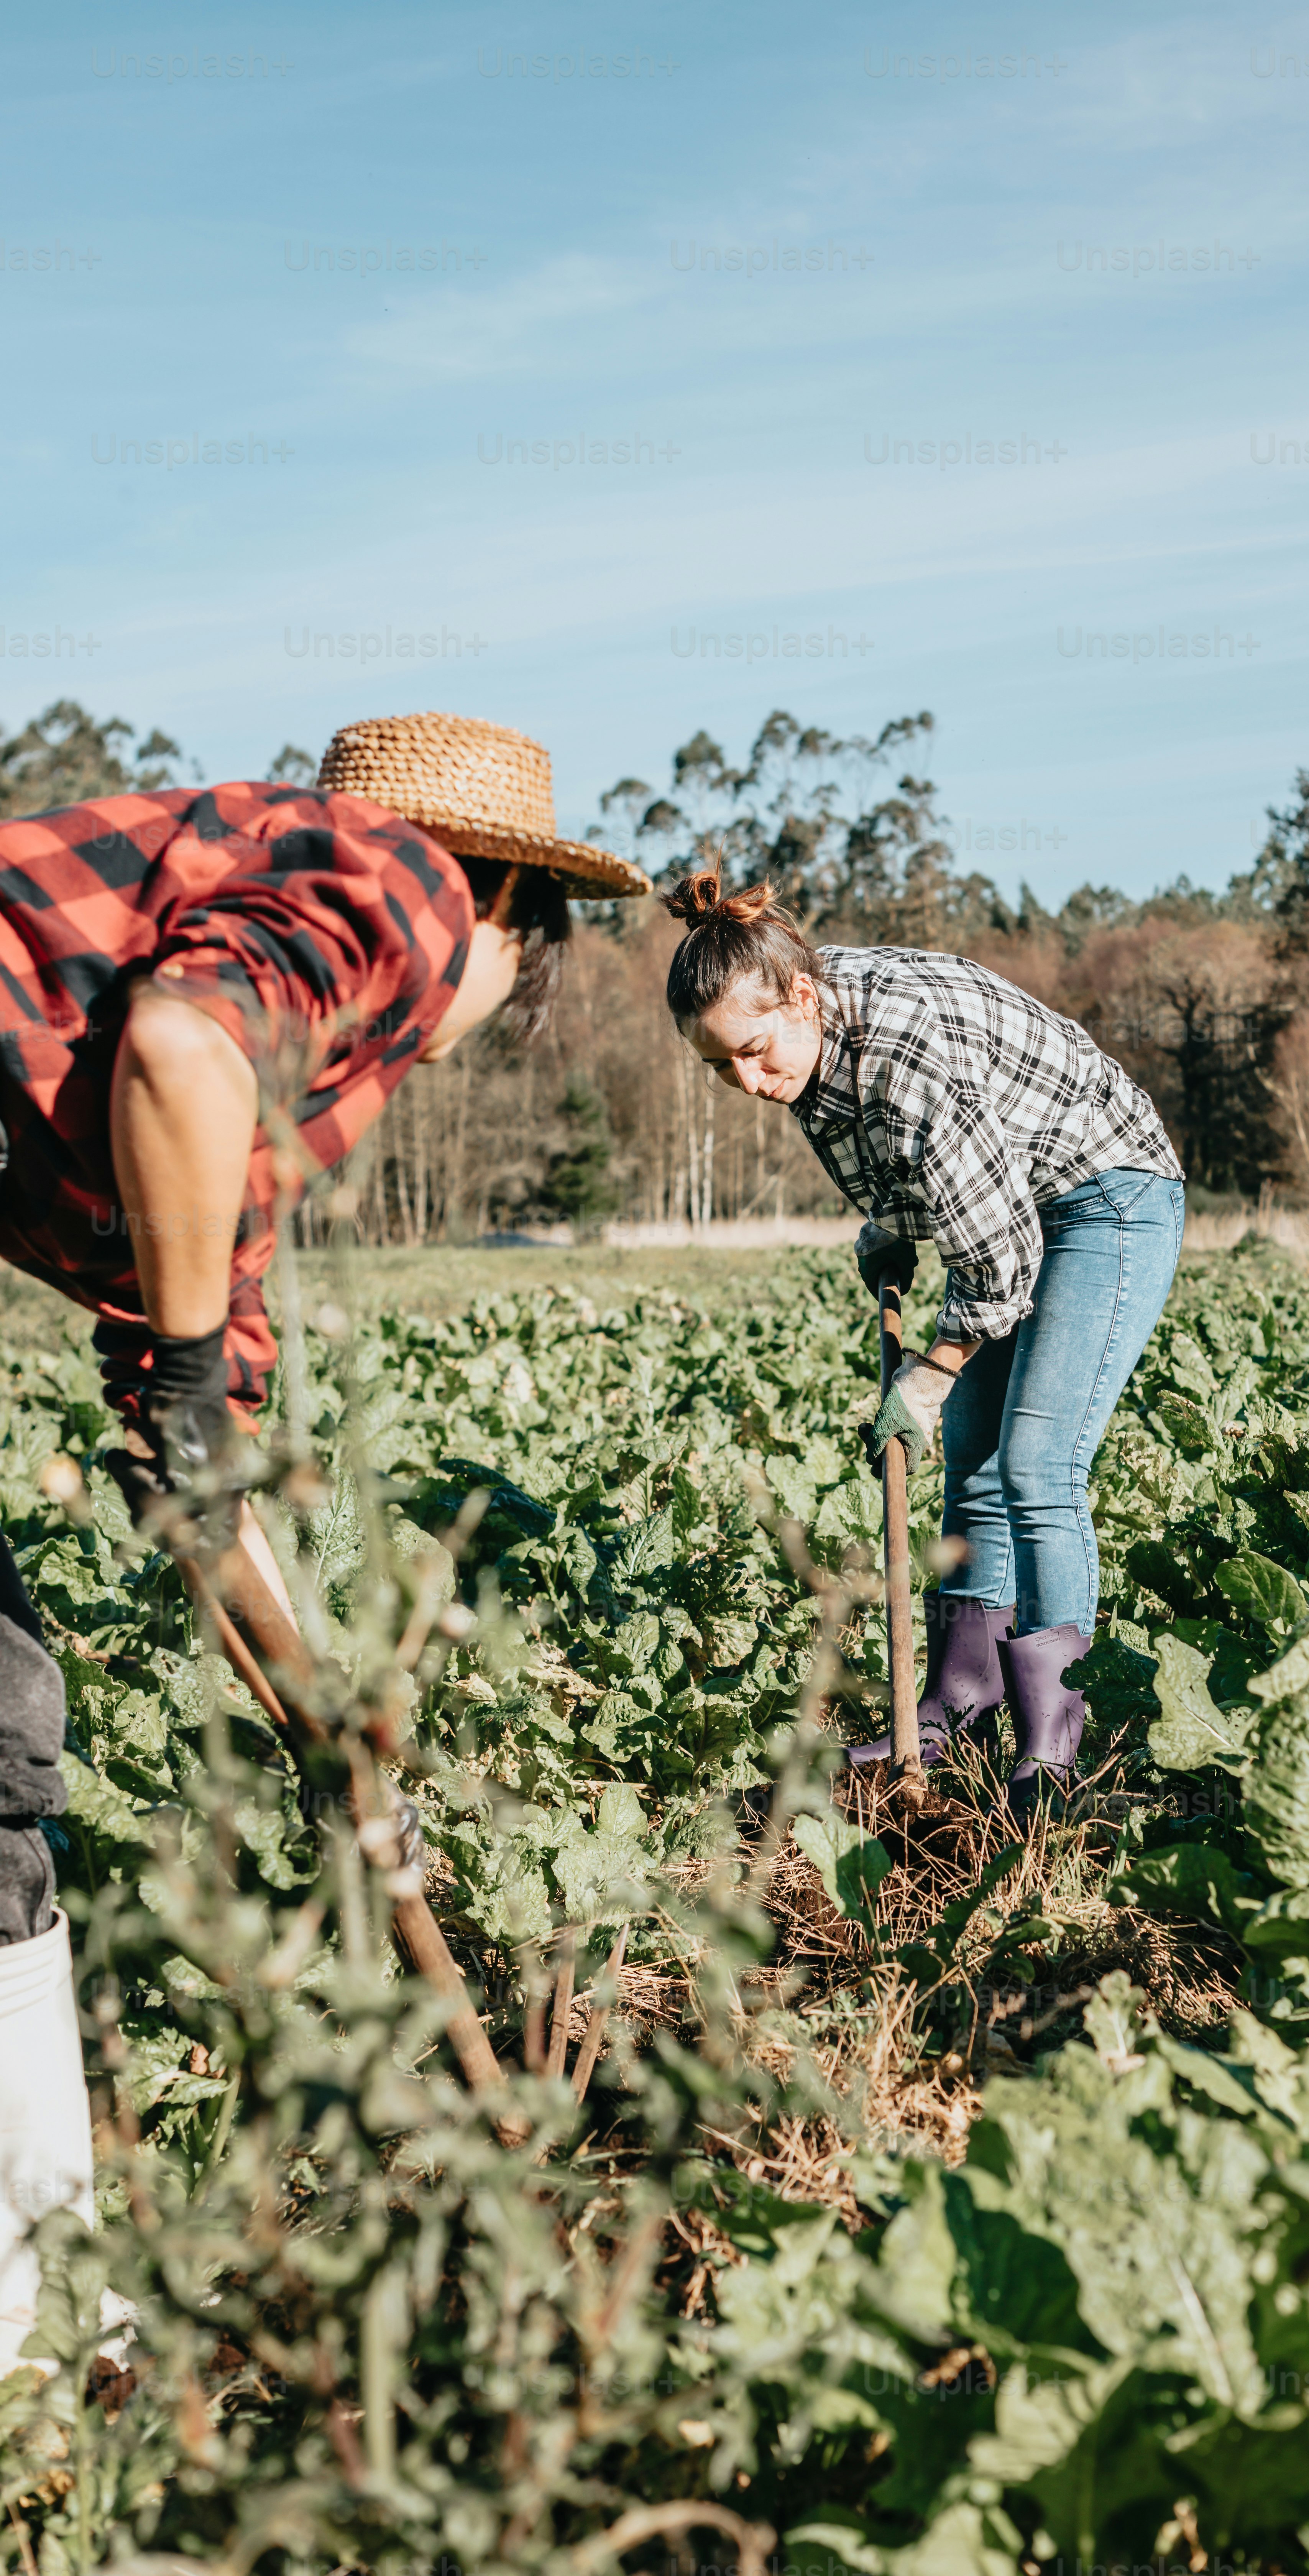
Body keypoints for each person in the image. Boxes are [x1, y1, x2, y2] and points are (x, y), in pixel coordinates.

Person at [0, 710, 647, 2372]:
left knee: (3, 1749)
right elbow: (175, 1057)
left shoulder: (264, 1070)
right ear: (516, 910)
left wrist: (327, 1737)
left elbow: (184, 1447)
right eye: (543, 961)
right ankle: (37, 2321)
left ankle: (36, 2307)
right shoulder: (414, 895)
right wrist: (205, 1380)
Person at [664, 868, 1184, 1817]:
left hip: (1106, 1196)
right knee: (974, 1470)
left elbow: (997, 1262)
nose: (745, 1082)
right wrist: (890, 1223)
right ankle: (953, 1711)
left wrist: (932, 1372)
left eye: (750, 1050)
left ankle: (1052, 1754)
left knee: (1036, 1464)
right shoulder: (813, 1036)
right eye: (717, 1068)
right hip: (1014, 1203)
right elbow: (921, 1174)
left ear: (801, 998)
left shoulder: (903, 1058)